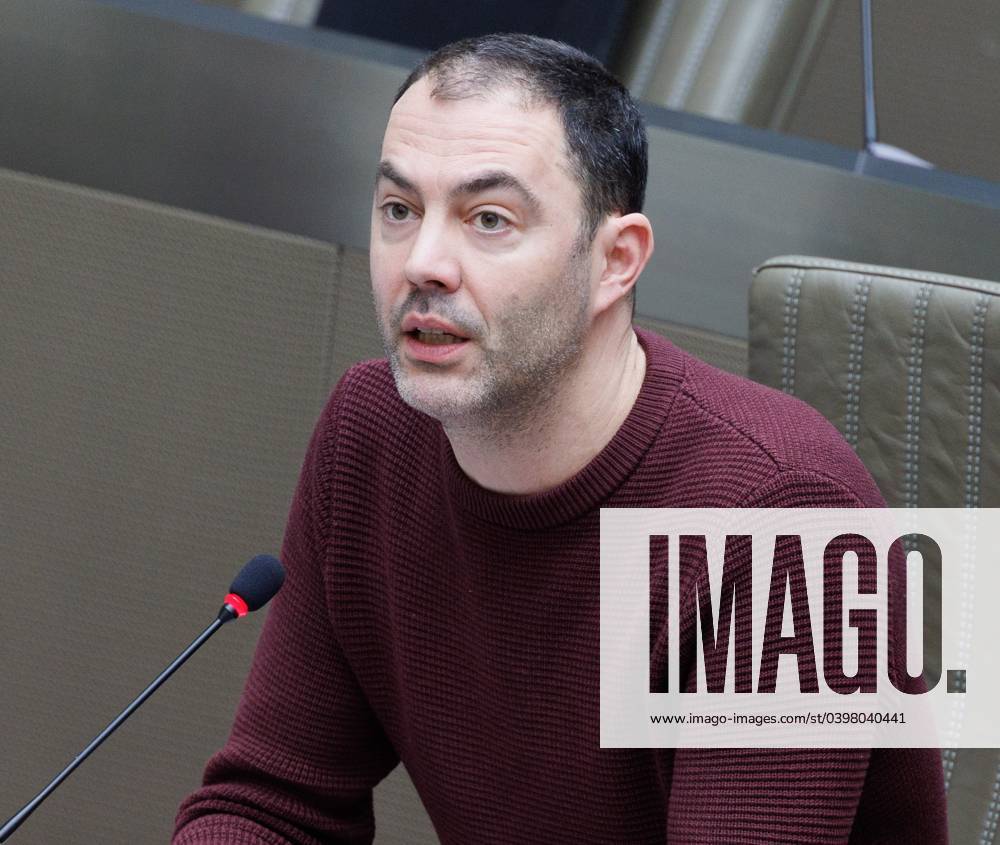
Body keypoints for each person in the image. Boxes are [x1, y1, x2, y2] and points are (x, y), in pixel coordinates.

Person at [173, 33, 947, 844]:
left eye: (489, 218)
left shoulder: (779, 520)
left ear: (616, 261)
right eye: (400, 210)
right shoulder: (374, 434)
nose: (424, 263)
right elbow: (273, 808)